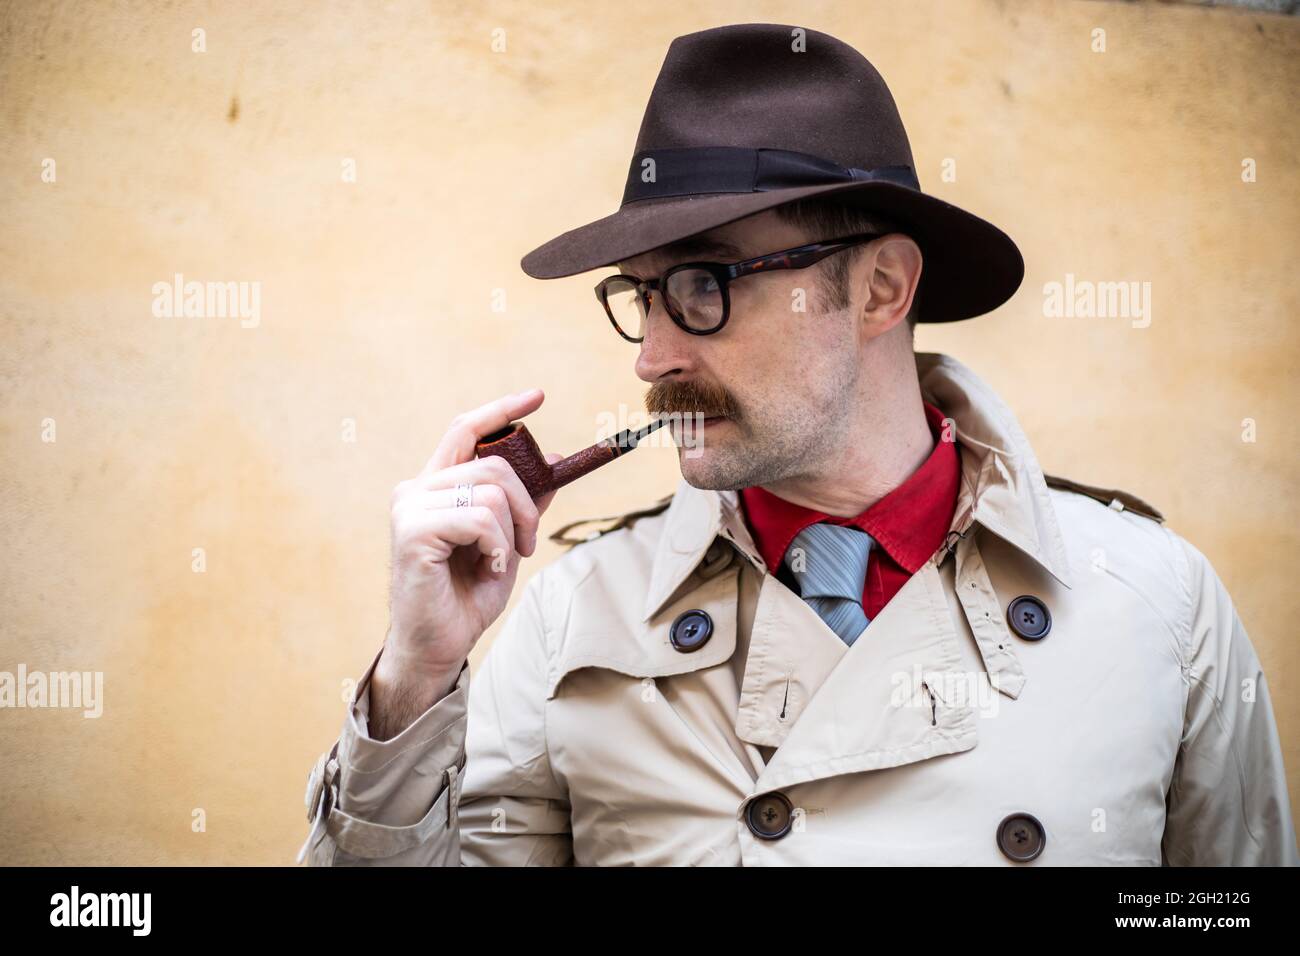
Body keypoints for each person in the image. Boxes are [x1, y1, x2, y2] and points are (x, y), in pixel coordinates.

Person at [299, 22, 1297, 866]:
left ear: (878, 289)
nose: (650, 356)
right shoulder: (569, 621)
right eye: (639, 295)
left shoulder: (1154, 603)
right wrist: (413, 680)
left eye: (703, 285)